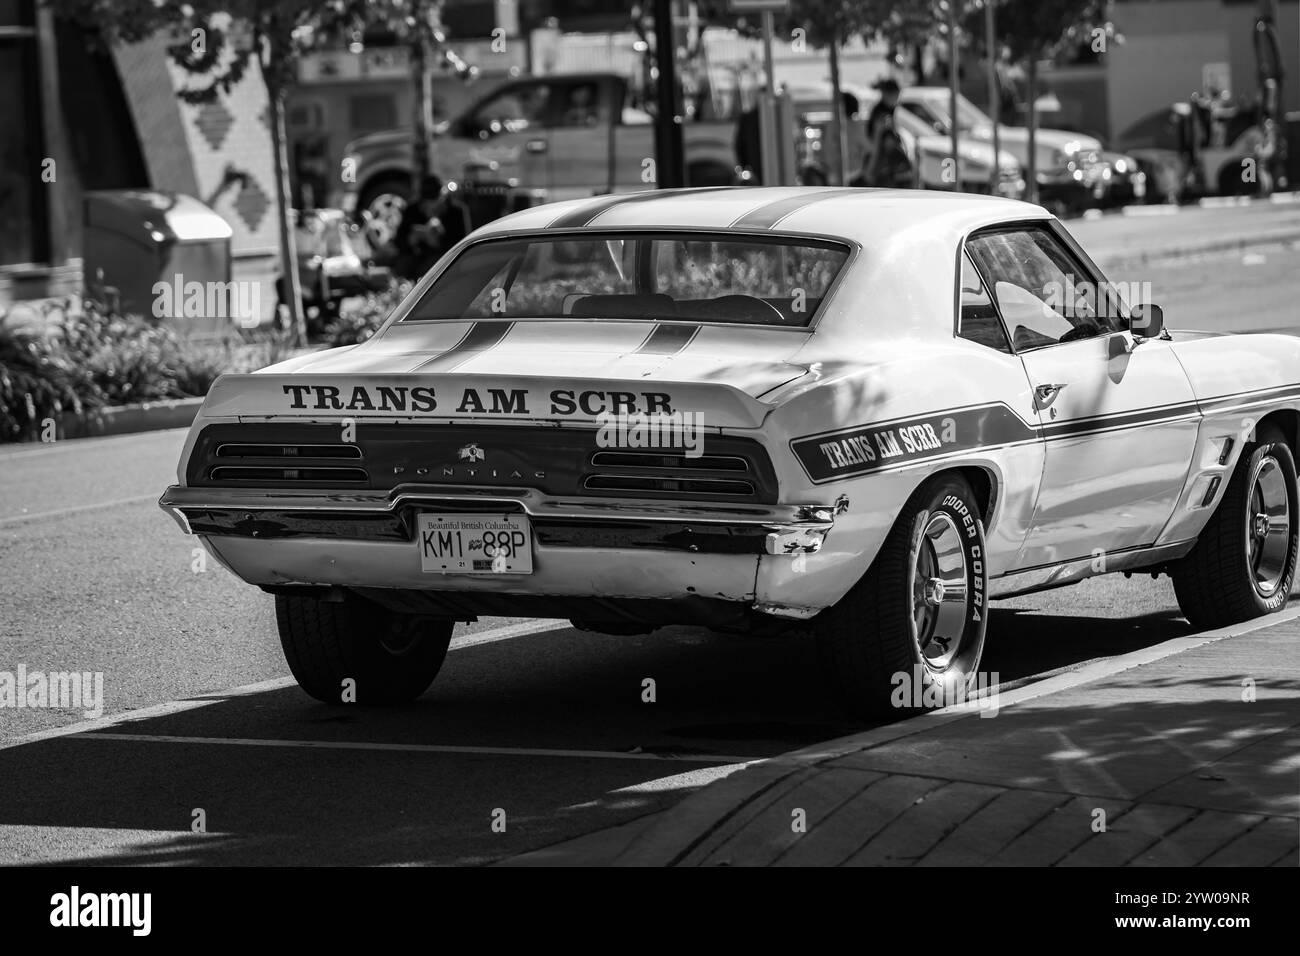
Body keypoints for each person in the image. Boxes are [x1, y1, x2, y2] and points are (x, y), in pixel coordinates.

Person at [392, 174, 471, 280]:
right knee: (402, 265)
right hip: (416, 255)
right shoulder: (412, 210)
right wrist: (411, 239)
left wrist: (438, 240)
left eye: (434, 200)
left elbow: (464, 245)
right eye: (427, 202)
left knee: (431, 267)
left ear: (442, 196)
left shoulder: (457, 211)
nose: (431, 205)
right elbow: (398, 241)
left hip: (443, 257)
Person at [856, 78, 914, 188]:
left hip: (881, 162)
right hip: (880, 163)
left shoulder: (889, 110)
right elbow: (880, 141)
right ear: (886, 94)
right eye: (895, 95)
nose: (897, 98)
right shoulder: (881, 113)